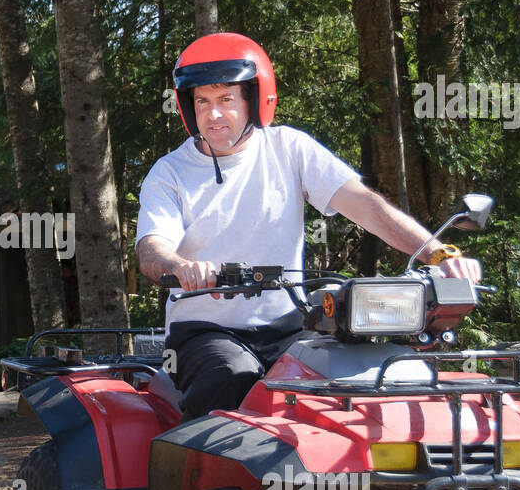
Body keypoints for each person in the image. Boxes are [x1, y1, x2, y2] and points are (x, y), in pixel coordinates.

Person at [135, 31, 482, 419]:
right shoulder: (169, 173)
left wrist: (436, 251)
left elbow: (365, 205)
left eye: (226, 99)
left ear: (255, 99)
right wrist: (181, 267)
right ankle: (199, 479)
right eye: (202, 101)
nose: (213, 114)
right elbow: (152, 248)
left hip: (289, 325)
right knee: (231, 375)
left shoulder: (289, 149)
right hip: (201, 333)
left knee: (355, 378)